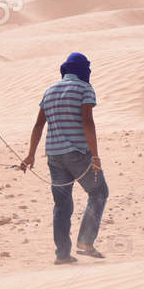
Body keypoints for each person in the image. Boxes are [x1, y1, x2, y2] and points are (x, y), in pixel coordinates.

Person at [19, 52, 107, 264]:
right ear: (83, 70)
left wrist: (31, 154)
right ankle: (85, 241)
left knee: (62, 204)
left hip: (54, 155)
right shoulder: (85, 89)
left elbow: (39, 125)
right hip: (77, 153)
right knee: (99, 191)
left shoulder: (49, 91)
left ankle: (62, 254)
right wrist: (95, 155)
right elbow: (87, 122)